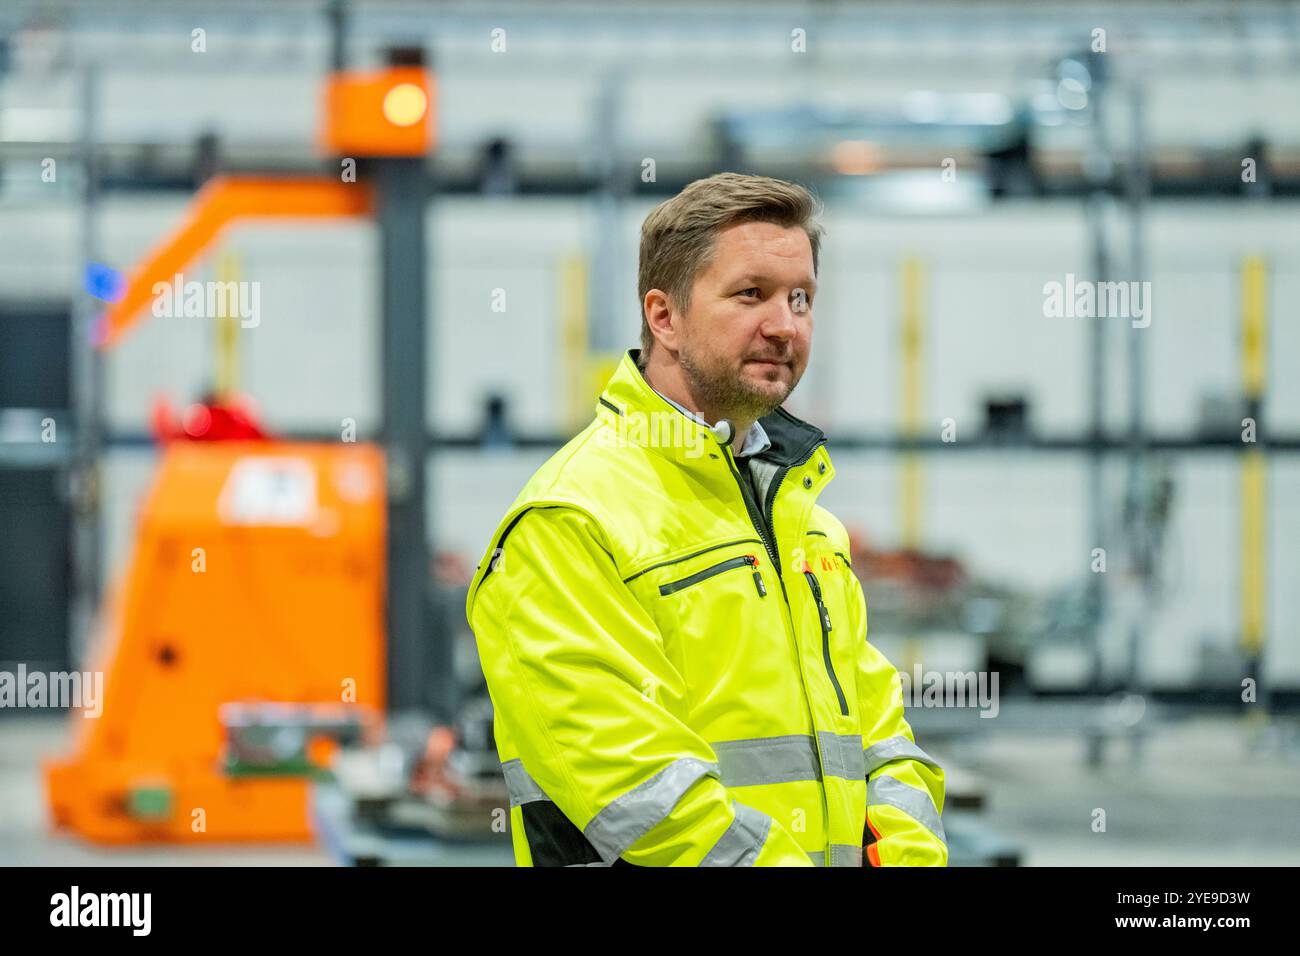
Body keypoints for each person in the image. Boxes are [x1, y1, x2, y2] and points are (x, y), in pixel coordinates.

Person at [465, 172, 947, 866]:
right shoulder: (569, 523)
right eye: (750, 294)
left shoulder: (809, 526)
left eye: (800, 298)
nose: (784, 325)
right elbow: (646, 799)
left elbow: (883, 742)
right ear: (664, 317)